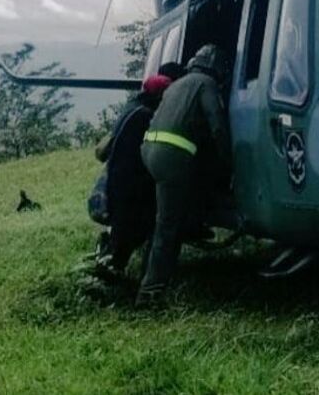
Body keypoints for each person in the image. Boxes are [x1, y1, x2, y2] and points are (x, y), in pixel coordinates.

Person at [137, 44, 231, 305]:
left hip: (149, 152)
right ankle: (150, 293)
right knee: (168, 226)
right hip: (170, 159)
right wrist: (228, 163)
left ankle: (144, 276)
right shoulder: (206, 84)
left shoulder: (177, 84)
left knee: (162, 221)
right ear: (216, 68)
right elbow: (217, 127)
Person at [90, 67, 178, 282]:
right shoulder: (145, 116)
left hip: (120, 176)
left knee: (125, 226)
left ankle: (111, 261)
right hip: (131, 180)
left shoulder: (132, 108)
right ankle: (116, 269)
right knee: (137, 225)